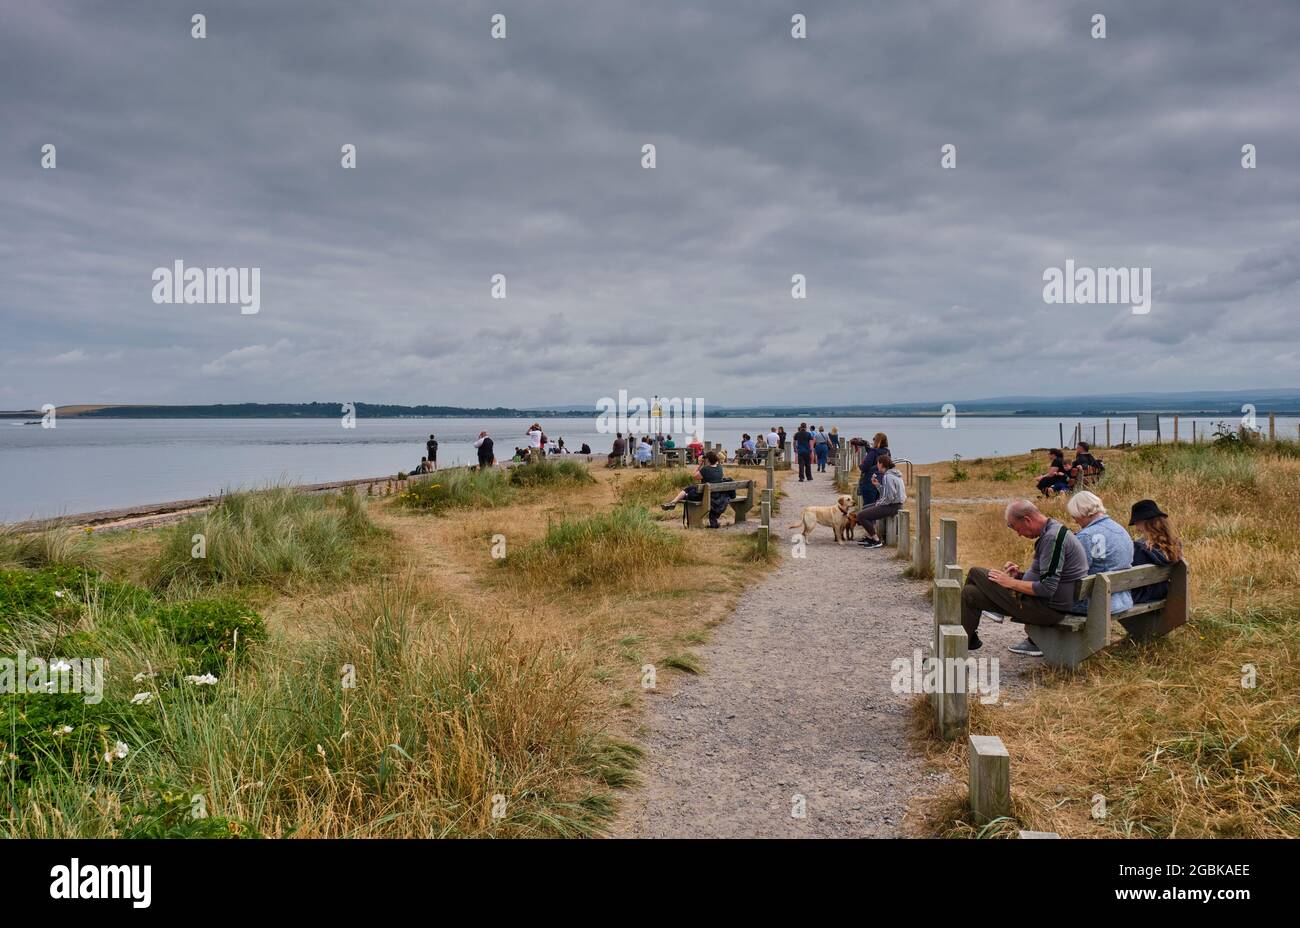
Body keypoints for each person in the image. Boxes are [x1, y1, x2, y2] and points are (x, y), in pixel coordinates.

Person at [959, 499, 1089, 656]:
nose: (1019, 534)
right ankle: (958, 647)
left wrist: (1011, 583)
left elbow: (1047, 588)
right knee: (969, 593)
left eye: (1015, 528)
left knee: (975, 572)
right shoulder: (1053, 531)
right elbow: (1048, 577)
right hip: (1042, 603)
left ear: (1027, 520)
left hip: (1048, 610)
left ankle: (963, 641)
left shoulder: (1052, 538)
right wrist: (1019, 576)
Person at [1065, 491, 1133, 615]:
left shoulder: (1086, 536)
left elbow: (1074, 573)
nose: (1075, 521)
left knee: (1044, 601)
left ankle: (1038, 635)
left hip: (1097, 602)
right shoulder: (1119, 529)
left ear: (1082, 512)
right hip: (1122, 599)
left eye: (1075, 516)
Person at [1129, 499, 1182, 603]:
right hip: (1164, 592)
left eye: (1136, 523)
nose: (1136, 527)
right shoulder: (1175, 544)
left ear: (1144, 523)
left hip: (1141, 596)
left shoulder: (1140, 548)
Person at [661, 451, 730, 528]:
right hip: (716, 495)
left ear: (708, 460)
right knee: (690, 488)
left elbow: (694, 476)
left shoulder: (705, 469)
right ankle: (674, 502)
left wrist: (700, 465)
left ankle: (673, 502)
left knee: (688, 489)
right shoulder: (720, 468)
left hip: (706, 496)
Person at [855, 454, 905, 548]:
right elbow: (887, 493)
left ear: (881, 464)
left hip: (892, 506)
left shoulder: (888, 477)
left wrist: (878, 504)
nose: (877, 465)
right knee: (865, 508)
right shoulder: (894, 474)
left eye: (877, 463)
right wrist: (878, 485)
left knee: (861, 516)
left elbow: (889, 497)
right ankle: (870, 536)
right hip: (895, 504)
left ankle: (876, 540)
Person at [858, 433, 891, 505]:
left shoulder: (873, 452)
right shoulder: (887, 452)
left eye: (874, 439)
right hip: (882, 481)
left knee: (868, 505)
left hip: (869, 481)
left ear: (876, 441)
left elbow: (865, 467)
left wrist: (860, 465)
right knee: (877, 504)